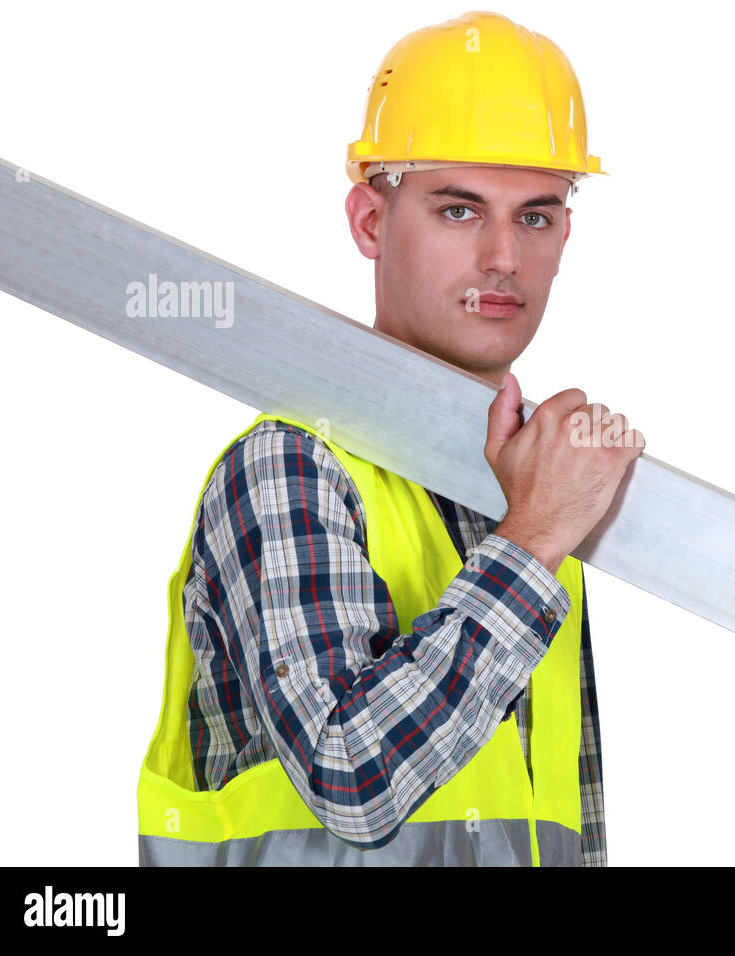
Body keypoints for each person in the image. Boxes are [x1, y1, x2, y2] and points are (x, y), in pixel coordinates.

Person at [136, 11, 642, 866]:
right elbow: (350, 779)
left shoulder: (526, 504)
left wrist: (535, 528)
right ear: (371, 221)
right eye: (457, 209)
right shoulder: (292, 466)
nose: (501, 259)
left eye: (536, 218)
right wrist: (536, 540)